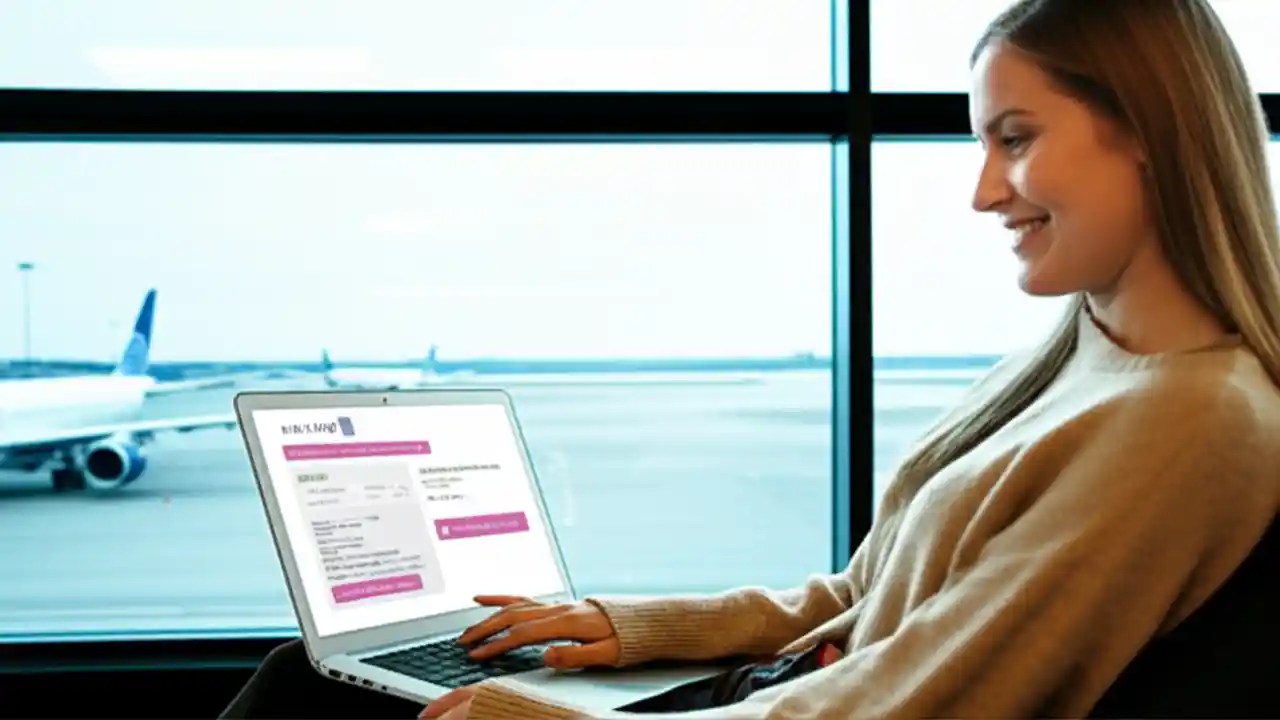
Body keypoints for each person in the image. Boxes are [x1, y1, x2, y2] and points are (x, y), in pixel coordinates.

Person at [224, 1, 1280, 717]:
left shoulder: (1193, 422)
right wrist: (638, 629)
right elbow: (862, 595)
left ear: (1144, 128)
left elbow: (920, 702)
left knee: (301, 698)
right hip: (776, 690)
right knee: (304, 680)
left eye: (1013, 138)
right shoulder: (1073, 357)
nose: (981, 192)